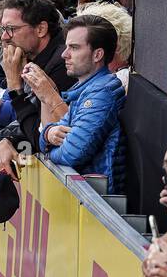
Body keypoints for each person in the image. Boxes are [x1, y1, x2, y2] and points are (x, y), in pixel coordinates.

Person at [38, 16, 126, 192]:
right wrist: (48, 133)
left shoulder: (102, 92)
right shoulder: (85, 89)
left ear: (97, 55)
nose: (64, 54)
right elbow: (48, 135)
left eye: (74, 48)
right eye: (67, 46)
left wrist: (47, 154)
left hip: (102, 204)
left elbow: (72, 153)